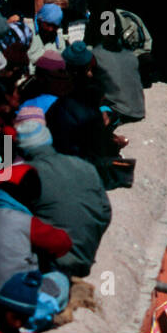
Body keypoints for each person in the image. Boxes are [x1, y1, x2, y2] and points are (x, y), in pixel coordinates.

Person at [15, 107, 112, 278]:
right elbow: (105, 212)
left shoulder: (28, 175)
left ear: (23, 150)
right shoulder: (85, 166)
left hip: (51, 263)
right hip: (85, 257)